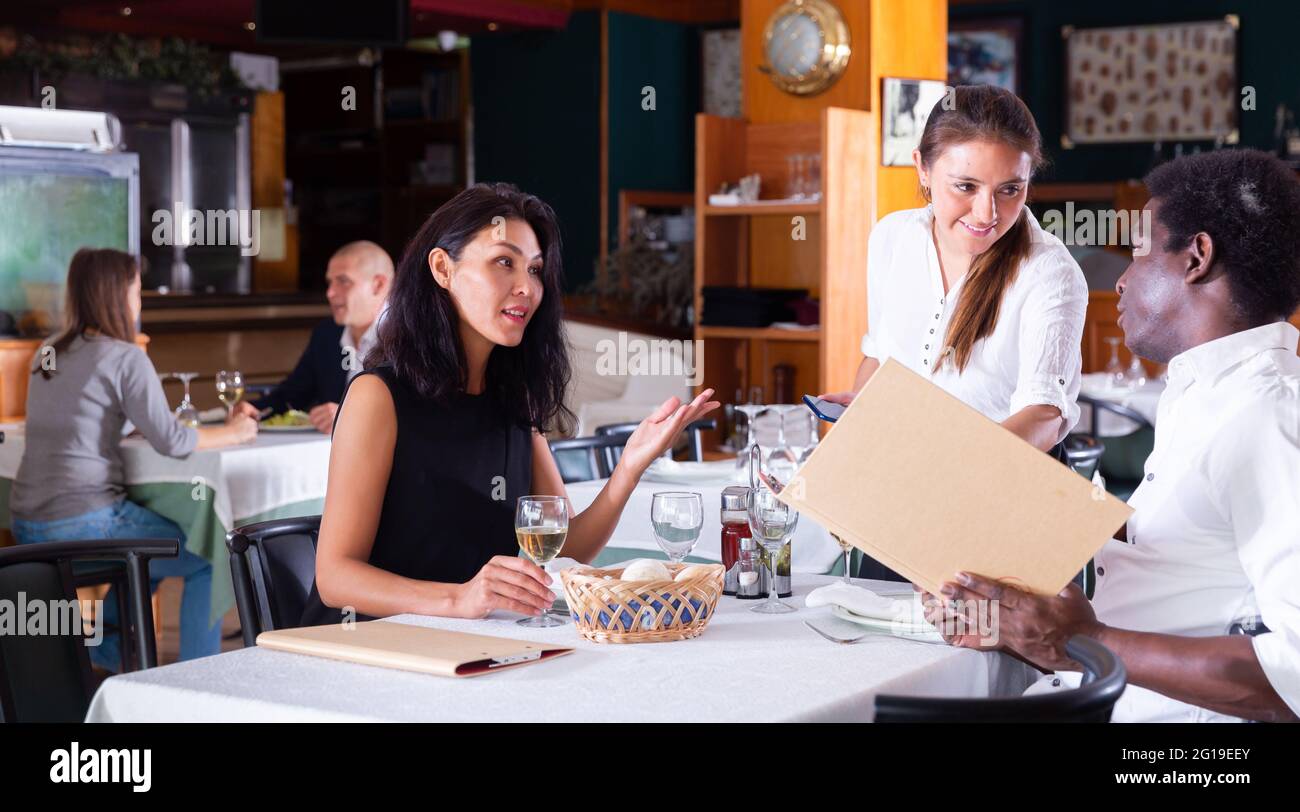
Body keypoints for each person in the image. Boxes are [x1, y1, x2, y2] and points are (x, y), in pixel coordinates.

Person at [929, 149, 1300, 723]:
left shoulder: (1266, 416)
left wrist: (1084, 641)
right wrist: (1009, 624)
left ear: (1196, 257)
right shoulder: (1204, 393)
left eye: (1138, 253)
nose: (1121, 281)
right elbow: (1178, 594)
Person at [300, 183, 719, 624]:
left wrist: (628, 468)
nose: (527, 287)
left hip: (461, 645)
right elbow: (335, 577)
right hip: (368, 647)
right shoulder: (378, 395)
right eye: (504, 262)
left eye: (535, 270)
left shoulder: (511, 400)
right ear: (443, 268)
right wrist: (459, 600)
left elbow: (569, 547)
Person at [819, 84, 1088, 581]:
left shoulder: (1049, 271)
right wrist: (865, 423)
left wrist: (953, 469)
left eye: (1011, 189)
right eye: (965, 186)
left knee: (973, 657)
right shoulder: (892, 238)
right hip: (902, 495)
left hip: (1000, 508)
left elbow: (1046, 415)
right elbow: (879, 357)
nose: (988, 214)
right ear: (922, 167)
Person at [10, 248, 258, 667]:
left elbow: (80, 414)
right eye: (137, 291)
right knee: (208, 558)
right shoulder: (126, 357)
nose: (139, 301)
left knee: (141, 558)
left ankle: (103, 653)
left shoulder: (47, 353)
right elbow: (175, 443)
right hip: (84, 522)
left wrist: (135, 421)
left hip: (26, 521)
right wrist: (234, 431)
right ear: (119, 296)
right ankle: (199, 683)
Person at [233, 240, 393, 433]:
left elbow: (422, 415)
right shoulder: (327, 334)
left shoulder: (414, 337)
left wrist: (351, 417)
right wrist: (256, 410)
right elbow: (293, 393)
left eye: (343, 281)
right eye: (329, 282)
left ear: (378, 285)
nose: (330, 293)